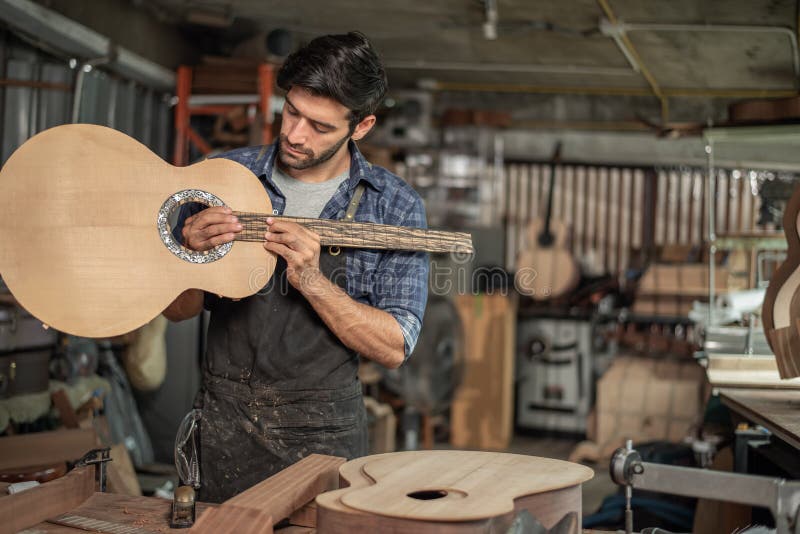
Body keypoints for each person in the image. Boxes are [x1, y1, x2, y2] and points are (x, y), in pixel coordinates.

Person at [163, 32, 429, 503]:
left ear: (361, 126)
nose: (295, 134)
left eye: (320, 127)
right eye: (292, 112)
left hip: (322, 436)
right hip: (222, 423)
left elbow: (394, 345)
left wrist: (311, 280)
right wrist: (189, 257)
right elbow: (176, 311)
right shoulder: (224, 176)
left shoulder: (395, 207)